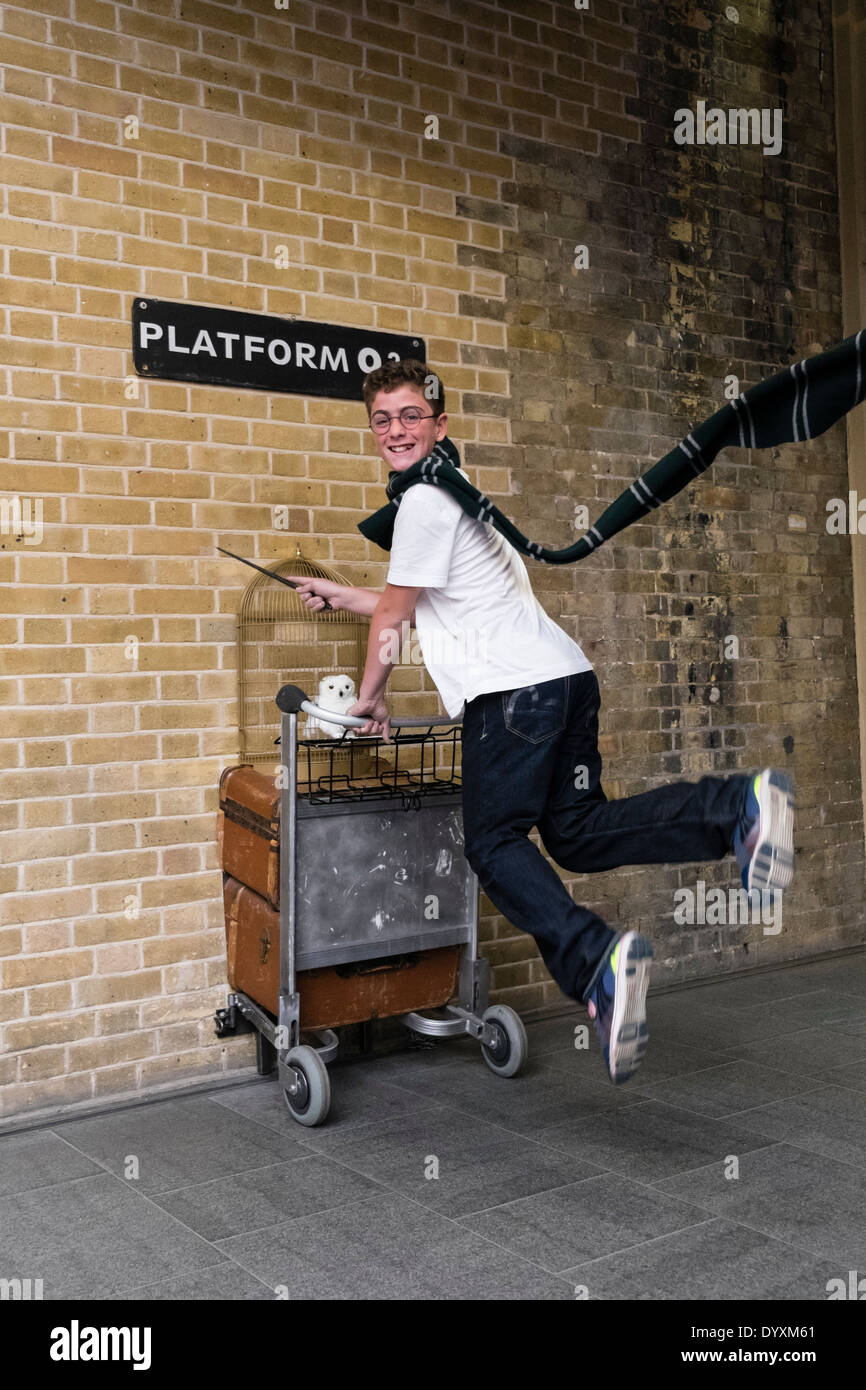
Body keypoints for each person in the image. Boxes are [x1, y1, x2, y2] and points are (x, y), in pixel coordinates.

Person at [287, 359, 795, 1085]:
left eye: (408, 416)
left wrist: (370, 696)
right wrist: (343, 596)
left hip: (514, 695)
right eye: (381, 420)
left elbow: (401, 615)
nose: (394, 431)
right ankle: (737, 808)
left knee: (493, 842)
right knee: (577, 833)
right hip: (562, 679)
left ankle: (596, 961)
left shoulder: (424, 501)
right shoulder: (452, 495)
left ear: (438, 425)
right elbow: (429, 599)